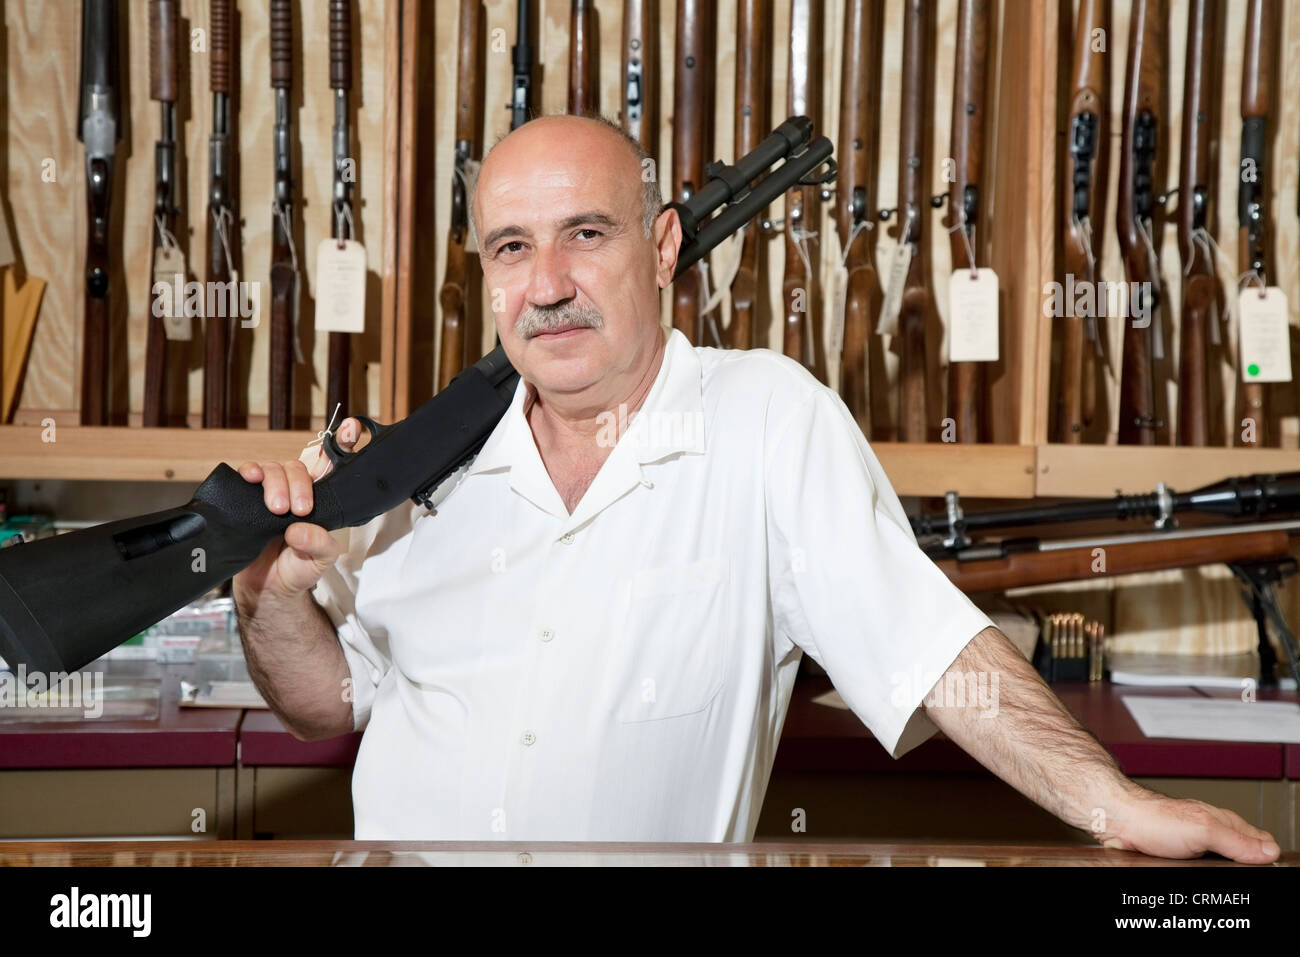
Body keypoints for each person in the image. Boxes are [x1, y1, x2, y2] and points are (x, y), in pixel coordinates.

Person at [233, 114, 1280, 862]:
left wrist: (1109, 803)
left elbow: (930, 649)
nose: (545, 282)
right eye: (512, 247)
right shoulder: (423, 462)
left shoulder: (767, 422)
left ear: (663, 246)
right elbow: (325, 702)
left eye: (585, 235)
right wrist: (267, 597)